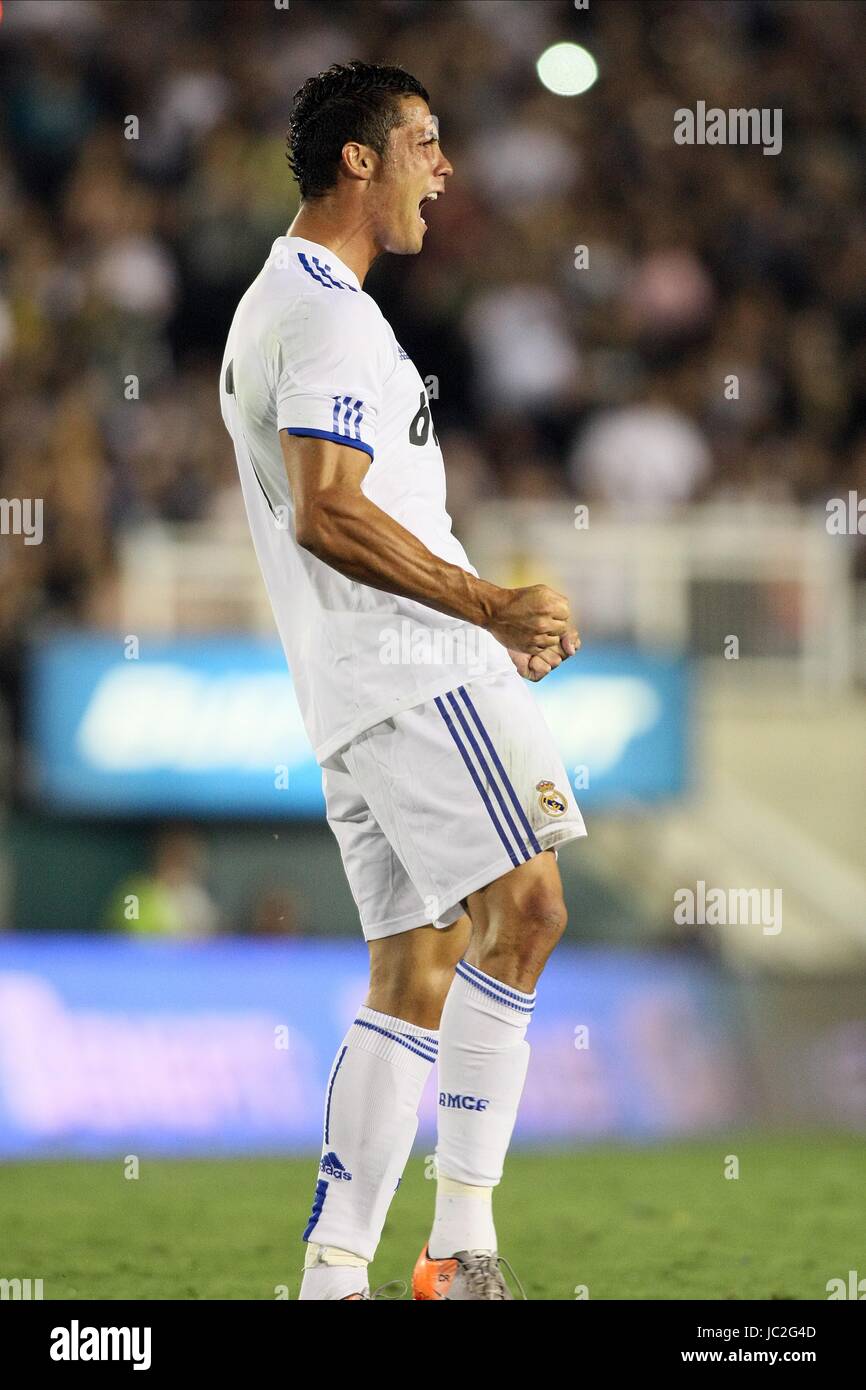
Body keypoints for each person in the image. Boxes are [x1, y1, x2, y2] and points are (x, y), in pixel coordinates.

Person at [219, 61, 586, 1301]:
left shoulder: (280, 301)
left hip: (352, 690)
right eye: (423, 142)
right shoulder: (323, 310)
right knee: (527, 912)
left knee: (412, 972)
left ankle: (333, 1274)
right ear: (358, 160)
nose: (445, 167)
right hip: (411, 670)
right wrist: (485, 605)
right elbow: (329, 515)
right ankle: (460, 1248)